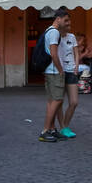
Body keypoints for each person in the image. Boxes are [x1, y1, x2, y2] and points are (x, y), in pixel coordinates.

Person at [38, 9, 71, 142]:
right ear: (58, 19)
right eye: (66, 20)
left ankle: (51, 129)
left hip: (49, 70)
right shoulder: (55, 32)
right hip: (54, 71)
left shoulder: (48, 30)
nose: (67, 23)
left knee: (52, 100)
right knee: (57, 100)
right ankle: (45, 130)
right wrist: (60, 69)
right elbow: (53, 54)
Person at [53, 20, 80, 136]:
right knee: (59, 101)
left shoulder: (72, 37)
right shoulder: (55, 36)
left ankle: (65, 125)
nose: (69, 26)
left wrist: (76, 66)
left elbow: (76, 53)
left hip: (71, 70)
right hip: (60, 71)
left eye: (70, 24)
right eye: (67, 24)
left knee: (74, 102)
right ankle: (64, 127)